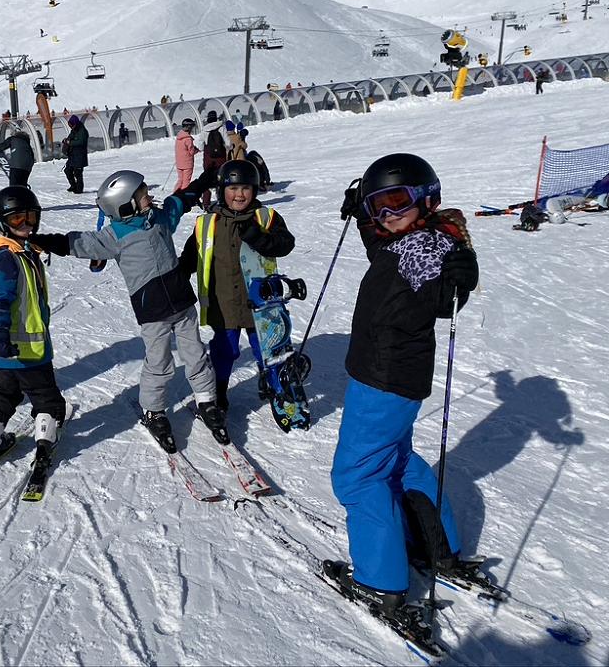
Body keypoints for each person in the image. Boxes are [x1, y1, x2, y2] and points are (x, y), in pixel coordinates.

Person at [326, 153, 480, 622]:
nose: (387, 215)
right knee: (397, 460)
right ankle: (439, 549)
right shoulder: (413, 240)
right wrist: (361, 217)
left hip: (383, 379)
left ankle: (381, 582)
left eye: (396, 201)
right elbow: (385, 246)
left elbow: (442, 292)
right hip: (399, 379)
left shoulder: (432, 252)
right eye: (378, 206)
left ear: (427, 199)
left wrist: (466, 274)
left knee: (358, 475)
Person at [31, 169, 222, 451]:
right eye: (143, 194)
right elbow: (77, 243)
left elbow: (182, 198)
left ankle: (206, 399)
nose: (149, 196)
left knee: (195, 353)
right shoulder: (114, 235)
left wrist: (208, 178)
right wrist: (42, 241)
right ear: (125, 204)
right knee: (159, 363)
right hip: (153, 311)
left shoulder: (159, 218)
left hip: (182, 302)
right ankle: (154, 410)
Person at [0, 186, 67, 482]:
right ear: (2, 222)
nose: (26, 224)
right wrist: (0, 334)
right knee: (45, 397)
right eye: (17, 218)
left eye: (31, 217)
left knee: (4, 394)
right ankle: (46, 442)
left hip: (5, 355)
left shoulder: (22, 252)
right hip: (27, 351)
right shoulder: (8, 259)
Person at [179, 160, 295, 418]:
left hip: (261, 302)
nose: (239, 194)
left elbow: (285, 244)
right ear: (222, 191)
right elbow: (190, 257)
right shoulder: (207, 223)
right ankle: (218, 393)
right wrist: (176, 278)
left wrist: (259, 236)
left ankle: (279, 389)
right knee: (225, 350)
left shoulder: (266, 217)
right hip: (224, 301)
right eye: (232, 189)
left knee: (267, 347)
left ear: (254, 190)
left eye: (245, 188)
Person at [197, 110, 228, 207]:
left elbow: (200, 146)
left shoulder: (204, 130)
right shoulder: (221, 128)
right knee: (222, 178)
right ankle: (223, 200)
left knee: (207, 178)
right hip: (221, 157)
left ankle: (206, 203)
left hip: (208, 158)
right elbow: (228, 143)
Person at [62, 114, 88, 193]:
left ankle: (79, 189)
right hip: (72, 155)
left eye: (71, 125)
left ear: (75, 124)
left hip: (79, 155)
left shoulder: (82, 131)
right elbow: (70, 137)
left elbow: (81, 142)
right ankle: (73, 185)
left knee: (78, 173)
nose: (71, 127)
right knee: (67, 170)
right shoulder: (74, 130)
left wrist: (70, 142)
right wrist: (66, 140)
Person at [174, 118, 199, 192]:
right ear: (189, 127)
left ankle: (175, 194)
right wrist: (197, 150)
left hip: (179, 163)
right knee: (186, 182)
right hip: (187, 164)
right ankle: (183, 196)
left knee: (180, 180)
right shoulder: (188, 139)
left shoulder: (179, 137)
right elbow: (191, 152)